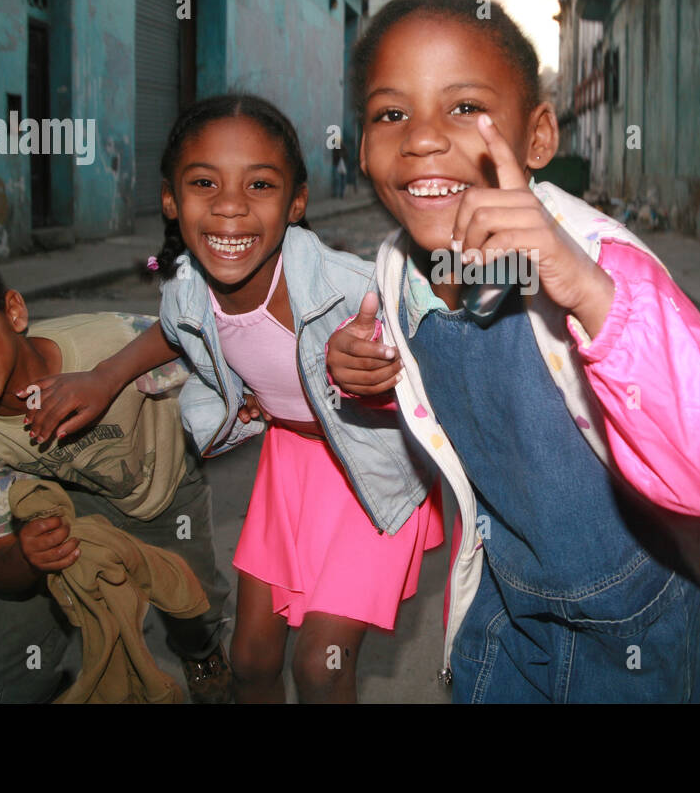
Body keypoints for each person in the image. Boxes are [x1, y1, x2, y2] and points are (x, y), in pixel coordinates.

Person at [326, 0, 700, 702]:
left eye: (464, 106)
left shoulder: (600, 263)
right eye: (390, 113)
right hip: (506, 606)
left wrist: (591, 294)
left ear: (537, 138)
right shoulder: (396, 267)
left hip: (640, 630)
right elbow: (441, 385)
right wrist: (368, 376)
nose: (422, 138)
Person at [25, 94, 443, 703]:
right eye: (203, 182)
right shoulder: (187, 287)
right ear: (171, 199)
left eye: (260, 185)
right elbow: (172, 332)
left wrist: (382, 370)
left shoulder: (354, 289)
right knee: (248, 662)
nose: (229, 206)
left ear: (296, 202)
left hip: (372, 464)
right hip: (289, 468)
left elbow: (440, 346)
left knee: (321, 668)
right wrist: (104, 377)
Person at [0, 239, 232, 703]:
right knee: (17, 655)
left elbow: (210, 345)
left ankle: (201, 653)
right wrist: (28, 555)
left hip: (165, 488)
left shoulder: (108, 343)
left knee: (195, 604)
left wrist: (111, 376)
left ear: (13, 313)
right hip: (75, 500)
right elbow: (1, 566)